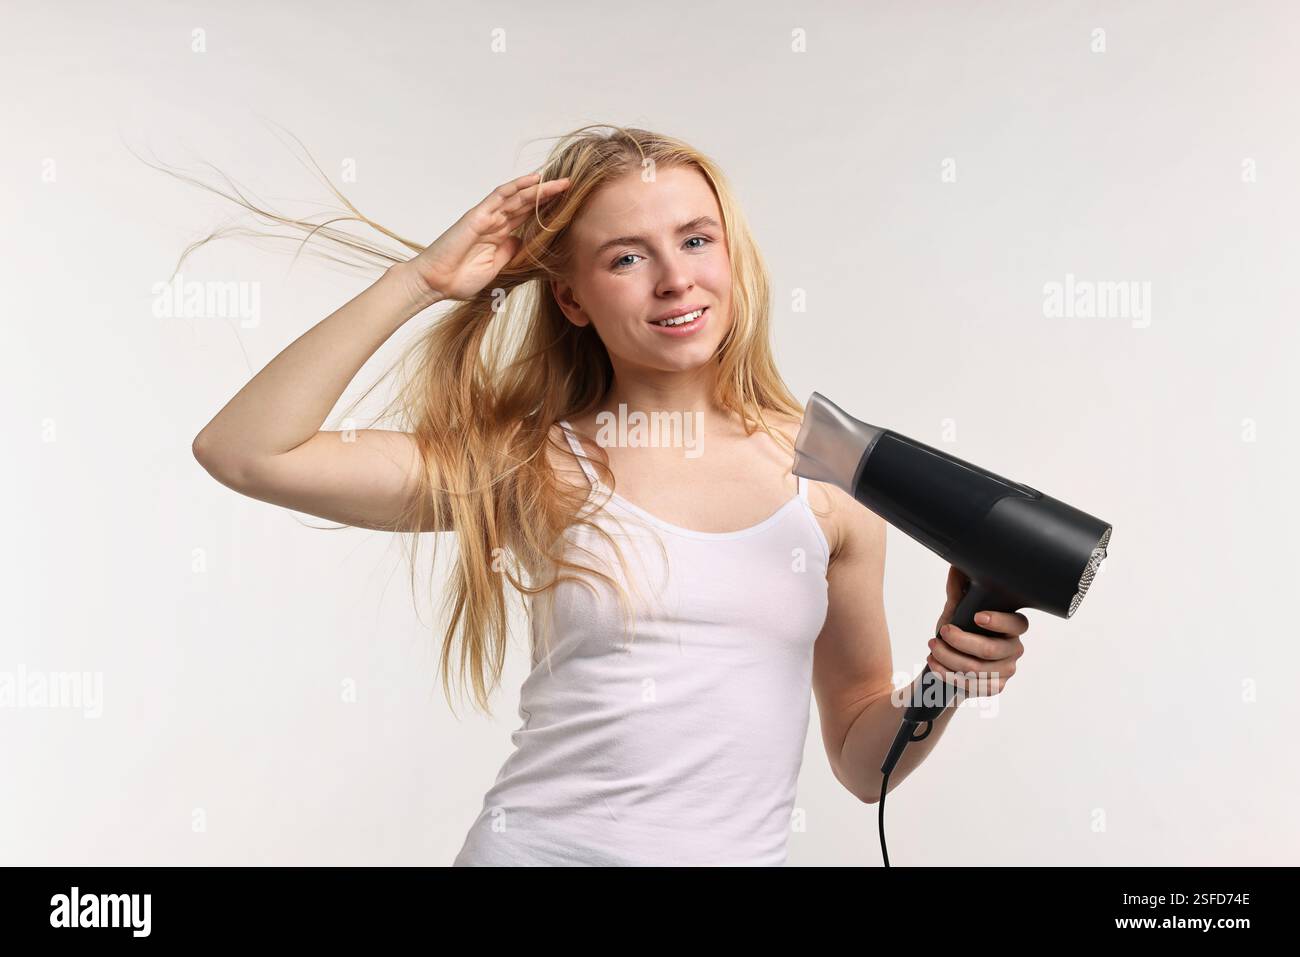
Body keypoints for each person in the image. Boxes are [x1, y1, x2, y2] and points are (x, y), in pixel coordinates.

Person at [187, 124, 1030, 866]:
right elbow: (246, 450)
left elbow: (856, 754)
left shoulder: (834, 485)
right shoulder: (531, 465)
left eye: (696, 240)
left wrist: (946, 680)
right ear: (571, 298)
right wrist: (424, 281)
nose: (675, 279)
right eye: (626, 256)